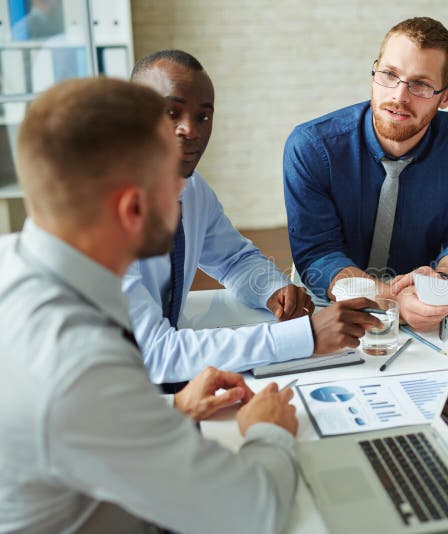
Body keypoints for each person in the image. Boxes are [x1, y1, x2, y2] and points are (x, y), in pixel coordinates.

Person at [0, 77, 328, 532]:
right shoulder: (82, 368)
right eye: (171, 176)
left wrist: (168, 414)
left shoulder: (19, 264)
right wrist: (269, 431)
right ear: (133, 209)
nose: (185, 184)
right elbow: (253, 514)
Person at [125, 49, 380, 388]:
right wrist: (306, 337)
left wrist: (273, 290)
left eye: (203, 117)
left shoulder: (193, 190)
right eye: (172, 112)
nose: (191, 130)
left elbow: (233, 259)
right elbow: (154, 354)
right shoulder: (104, 212)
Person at [284, 17, 448, 331]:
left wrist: (441, 284)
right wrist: (392, 300)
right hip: (333, 298)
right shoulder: (312, 147)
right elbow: (320, 254)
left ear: (447, 96)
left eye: (420, 85)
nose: (399, 96)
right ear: (375, 70)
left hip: (427, 303)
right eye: (390, 75)